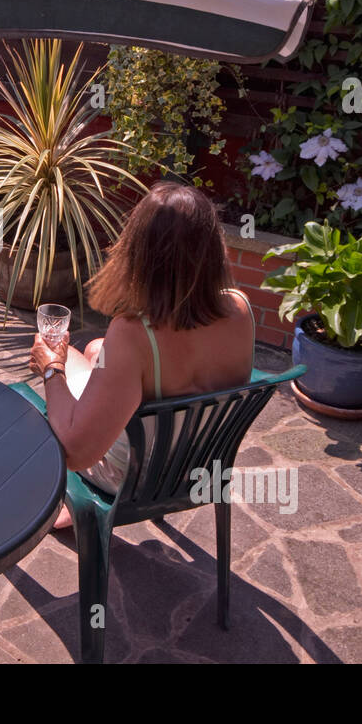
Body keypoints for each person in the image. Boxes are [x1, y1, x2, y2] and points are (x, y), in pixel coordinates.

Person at [28, 182, 255, 529]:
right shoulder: (240, 308)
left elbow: (76, 453)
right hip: (195, 463)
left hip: (133, 477)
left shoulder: (135, 334)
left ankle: (77, 505)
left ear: (138, 252)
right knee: (96, 350)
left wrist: (51, 368)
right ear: (213, 246)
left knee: (70, 355)